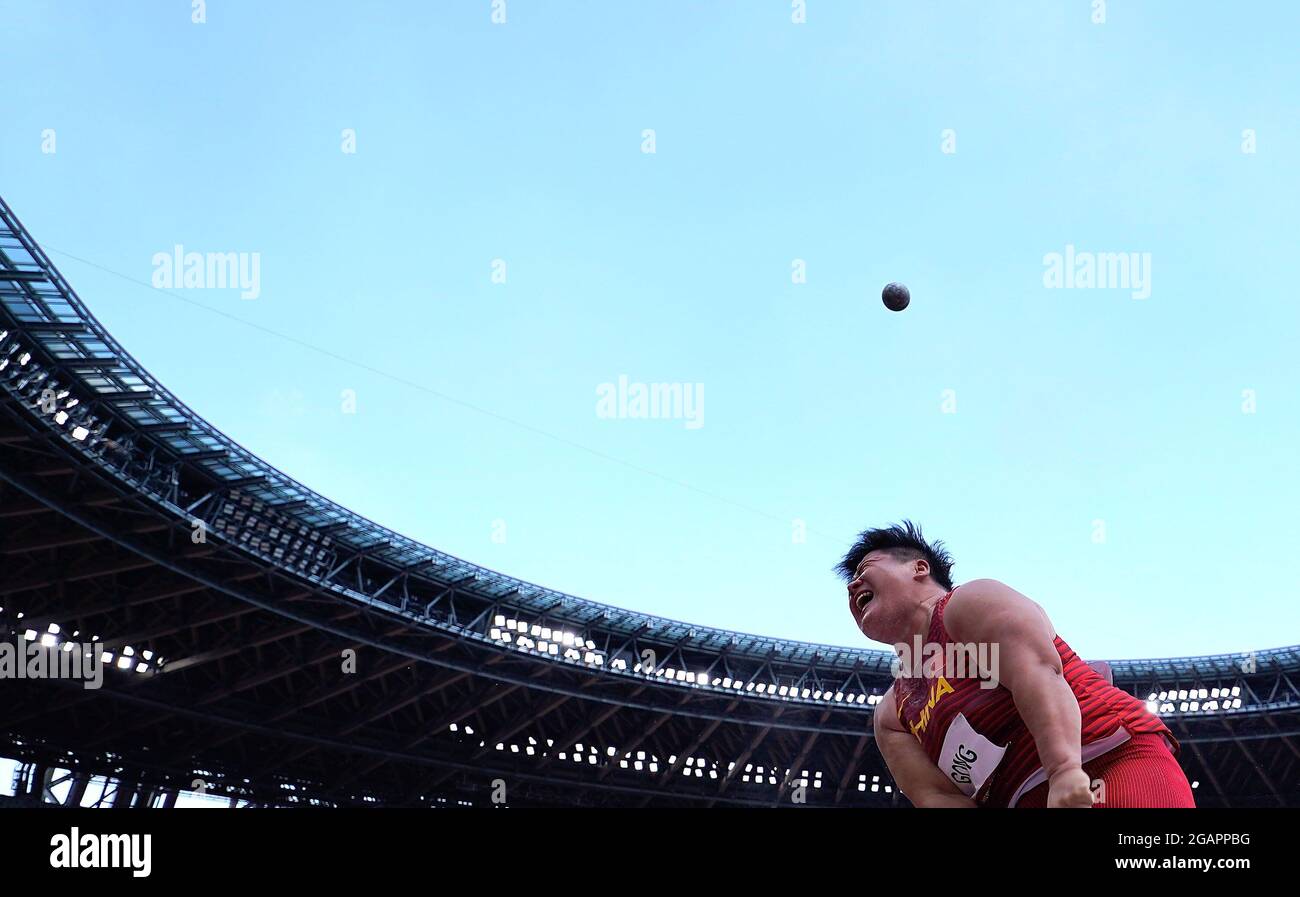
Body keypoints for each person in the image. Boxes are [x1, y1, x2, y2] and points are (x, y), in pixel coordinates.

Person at [838, 521, 1194, 808]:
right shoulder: (890, 715)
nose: (853, 584)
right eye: (849, 583)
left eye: (866, 568)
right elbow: (937, 796)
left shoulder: (967, 605)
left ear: (919, 568)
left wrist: (1064, 770)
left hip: (1106, 760)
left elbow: (1039, 674)